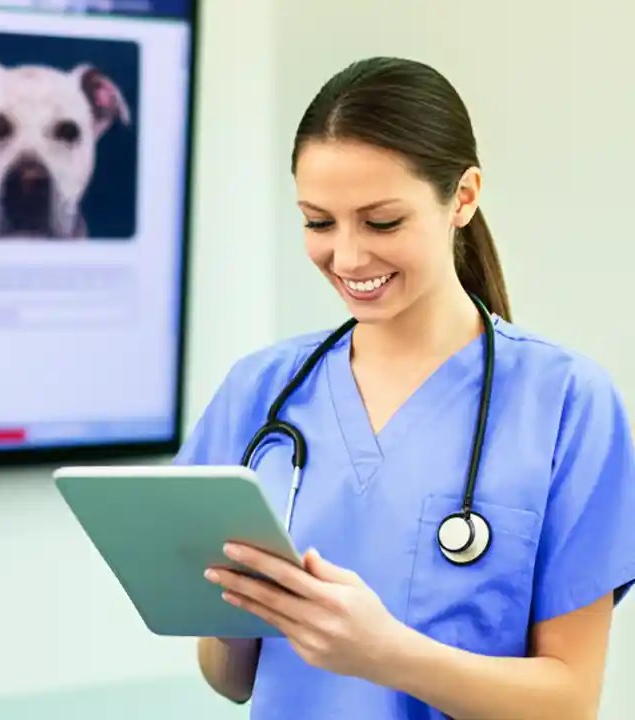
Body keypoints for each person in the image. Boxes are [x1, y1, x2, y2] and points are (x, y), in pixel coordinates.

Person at [177, 56, 635, 719]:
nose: (349, 256)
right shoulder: (261, 391)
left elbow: (568, 703)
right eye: (318, 222)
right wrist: (233, 610)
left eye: (382, 221)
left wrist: (383, 652)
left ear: (464, 197)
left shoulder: (564, 404)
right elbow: (232, 679)